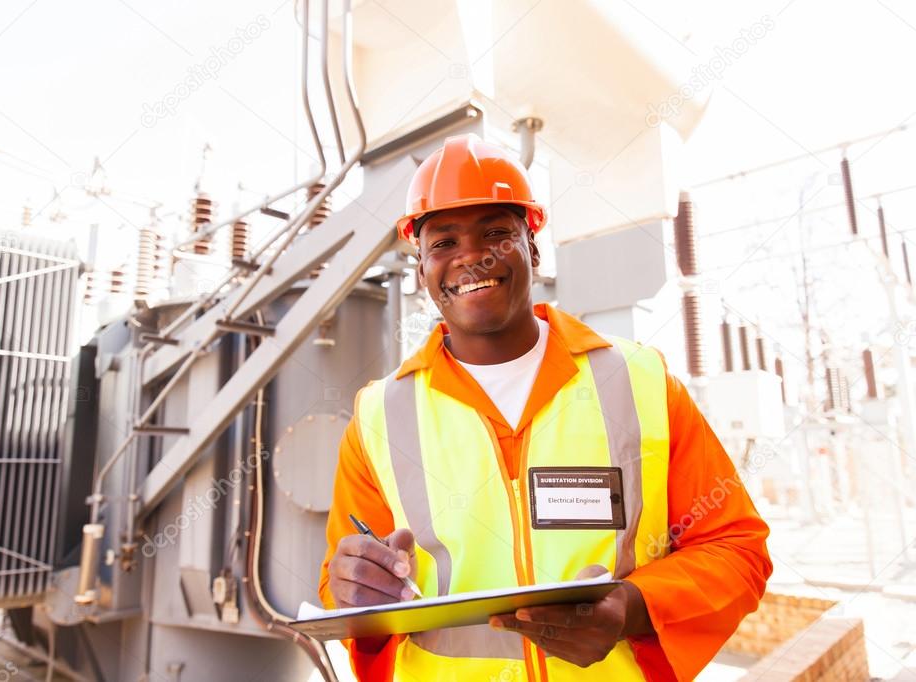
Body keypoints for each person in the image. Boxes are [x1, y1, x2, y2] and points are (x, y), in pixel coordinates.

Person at [318, 133, 771, 681]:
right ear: (421, 271)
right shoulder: (377, 418)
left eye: (496, 233)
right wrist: (353, 584)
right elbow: (346, 594)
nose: (471, 256)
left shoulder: (640, 382)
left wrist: (631, 608)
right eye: (443, 243)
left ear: (532, 250)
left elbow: (734, 547)